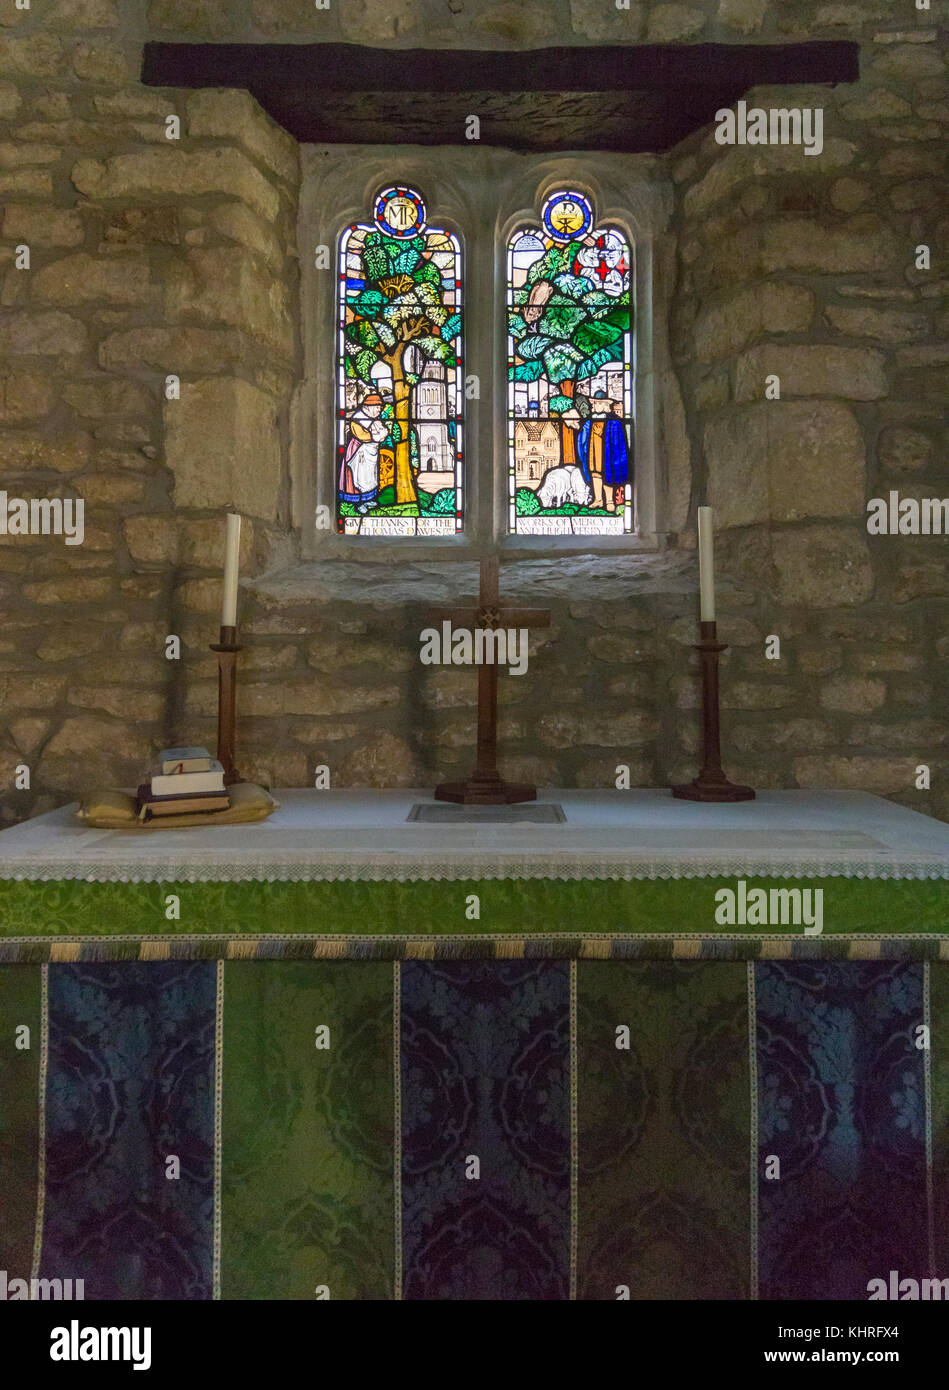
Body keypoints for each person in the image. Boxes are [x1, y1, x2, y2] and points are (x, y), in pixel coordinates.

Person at [576, 391, 629, 513]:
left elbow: (617, 440)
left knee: (607, 474)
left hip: (607, 452)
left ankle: (609, 501)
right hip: (592, 451)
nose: (593, 406)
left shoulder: (613, 421)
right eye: (593, 404)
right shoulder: (590, 420)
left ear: (604, 405)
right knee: (595, 473)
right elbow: (583, 433)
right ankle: (598, 499)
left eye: (596, 404)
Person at [339, 392, 389, 513]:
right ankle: (358, 502)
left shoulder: (374, 419)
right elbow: (363, 436)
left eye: (380, 408)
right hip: (357, 452)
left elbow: (383, 432)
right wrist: (376, 436)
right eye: (377, 408)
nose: (379, 410)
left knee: (370, 476)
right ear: (368, 407)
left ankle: (368, 498)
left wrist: (380, 434)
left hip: (370, 452)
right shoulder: (357, 419)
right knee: (358, 476)